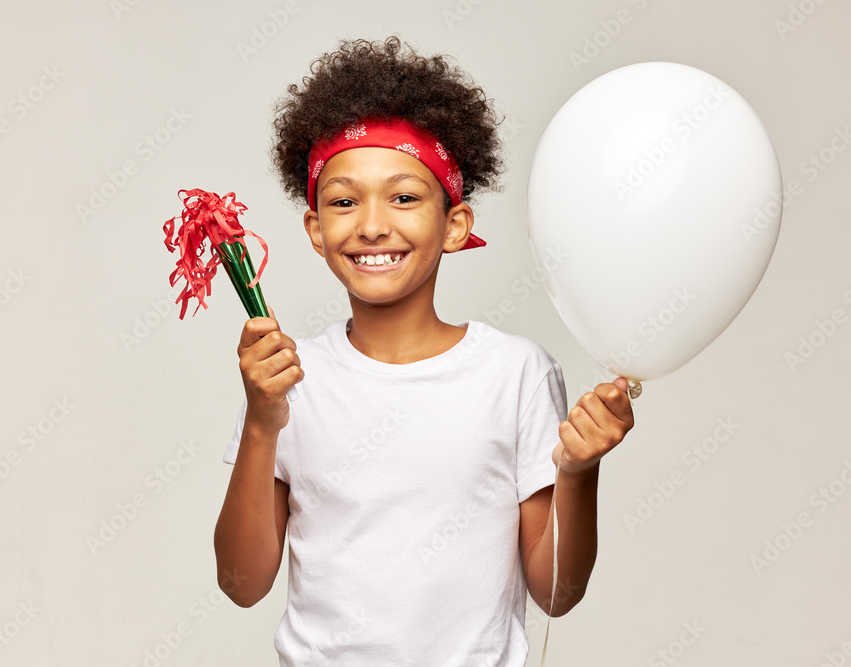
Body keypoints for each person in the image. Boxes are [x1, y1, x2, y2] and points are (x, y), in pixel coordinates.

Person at [213, 35, 635, 666]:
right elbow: (242, 585)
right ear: (314, 229)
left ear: (455, 225)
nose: (372, 224)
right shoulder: (288, 379)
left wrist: (577, 473)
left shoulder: (515, 373)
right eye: (343, 201)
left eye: (405, 197)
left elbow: (557, 592)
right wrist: (259, 422)